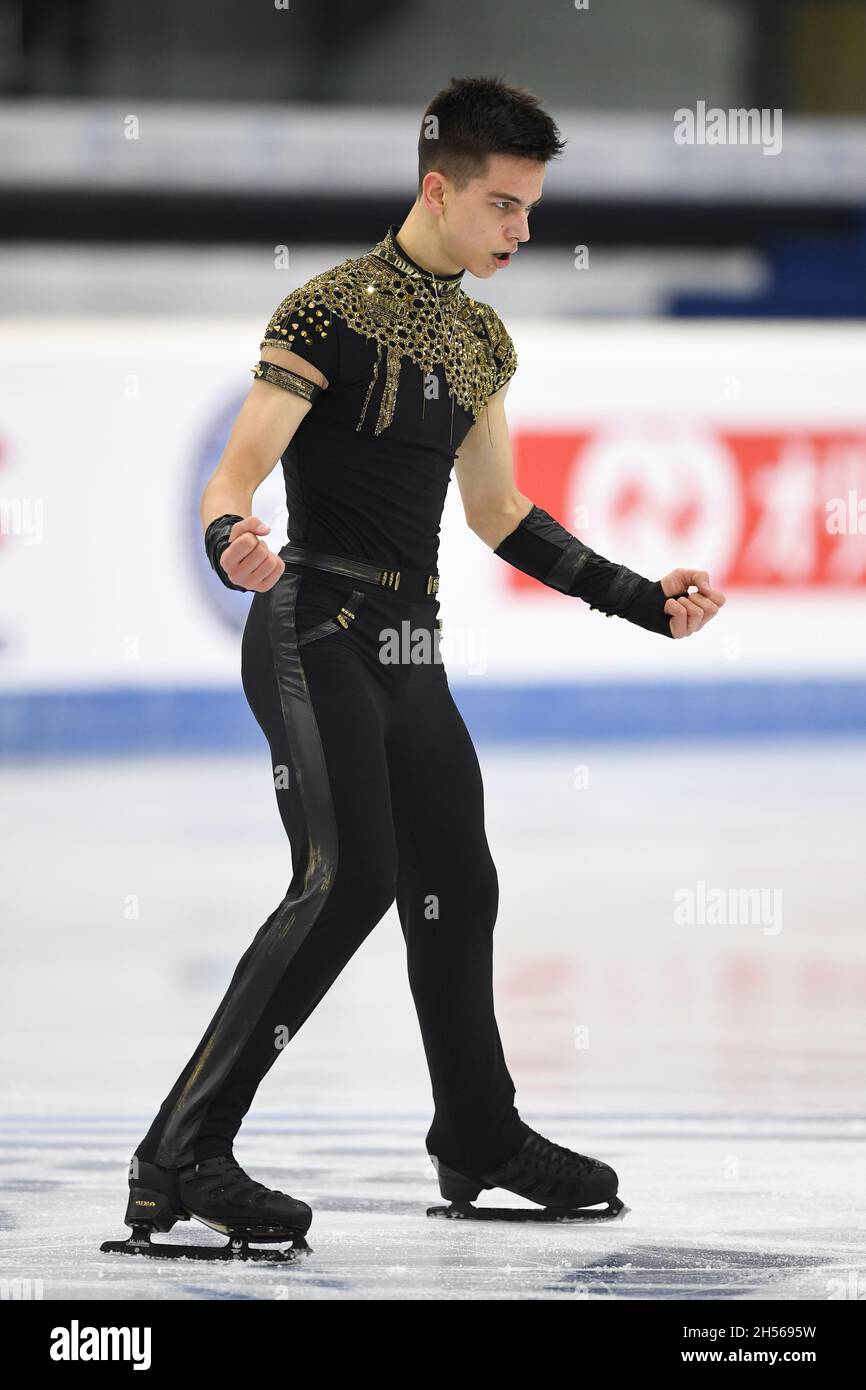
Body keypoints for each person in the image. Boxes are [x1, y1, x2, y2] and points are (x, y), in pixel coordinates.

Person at [103, 76, 725, 1259]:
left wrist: (643, 602)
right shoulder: (325, 309)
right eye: (502, 206)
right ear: (436, 189)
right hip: (308, 626)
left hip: (408, 647)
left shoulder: (482, 336)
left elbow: (497, 514)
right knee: (349, 880)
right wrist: (226, 539)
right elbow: (235, 474)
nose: (521, 232)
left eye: (531, 209)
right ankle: (178, 1154)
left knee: (459, 880)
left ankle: (478, 1134)